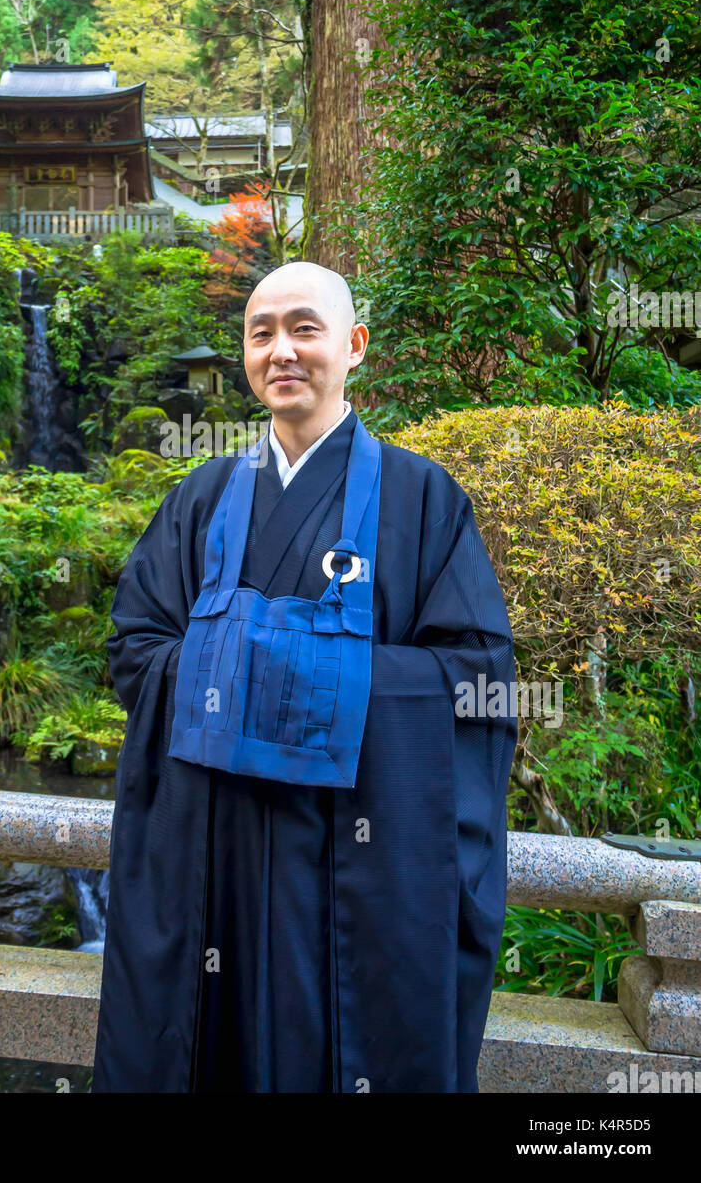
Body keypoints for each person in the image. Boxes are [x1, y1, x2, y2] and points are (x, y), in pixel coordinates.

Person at [92, 261, 517, 1093]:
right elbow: (136, 648)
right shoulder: (202, 495)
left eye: (304, 329)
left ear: (354, 346)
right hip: (217, 852)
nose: (281, 349)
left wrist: (261, 665)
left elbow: (476, 679)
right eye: (261, 333)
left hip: (354, 856)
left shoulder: (424, 498)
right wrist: (293, 665)